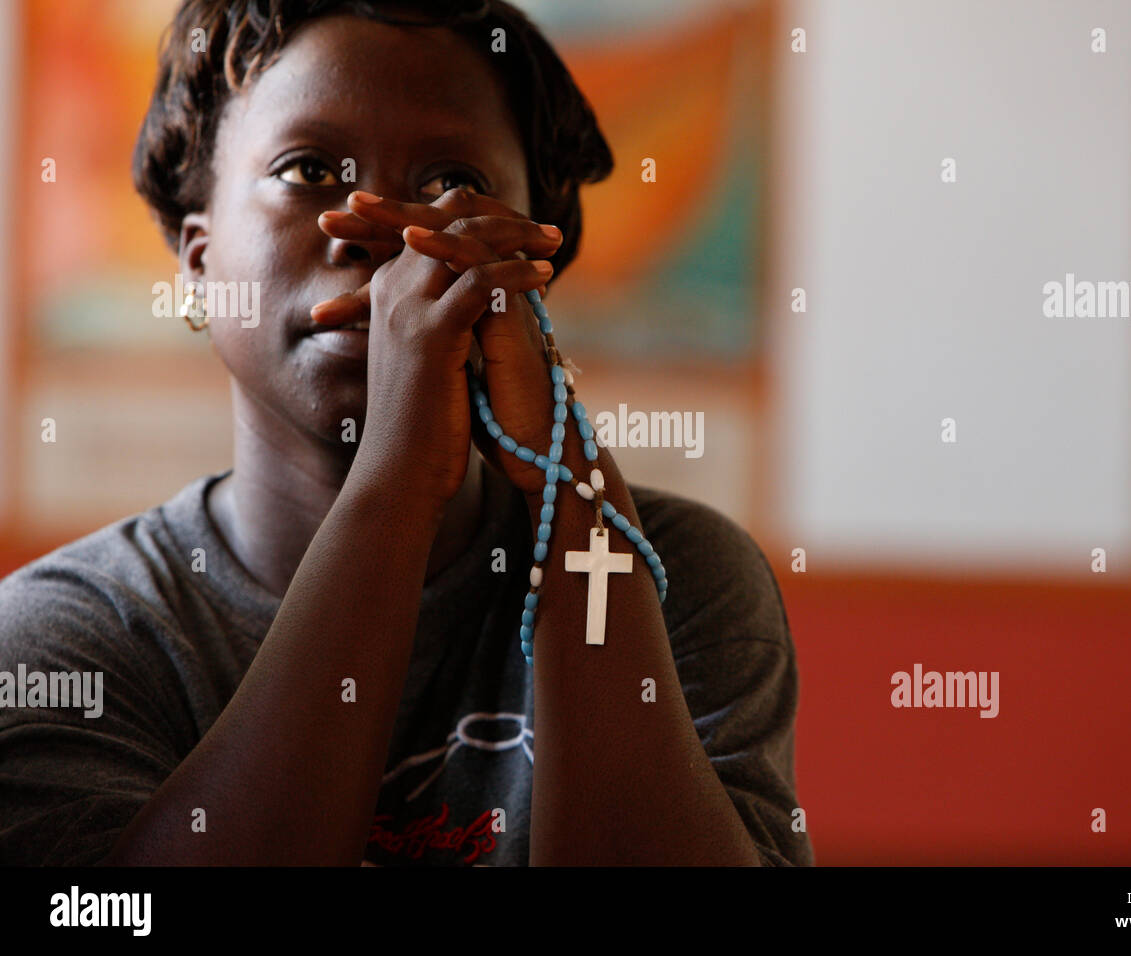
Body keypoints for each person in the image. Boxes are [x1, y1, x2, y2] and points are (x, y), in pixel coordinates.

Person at [0, 0, 812, 866]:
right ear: (201, 262)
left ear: (533, 259)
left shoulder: (677, 575)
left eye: (448, 189)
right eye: (308, 168)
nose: (388, 234)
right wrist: (398, 481)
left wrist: (574, 493)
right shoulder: (65, 637)